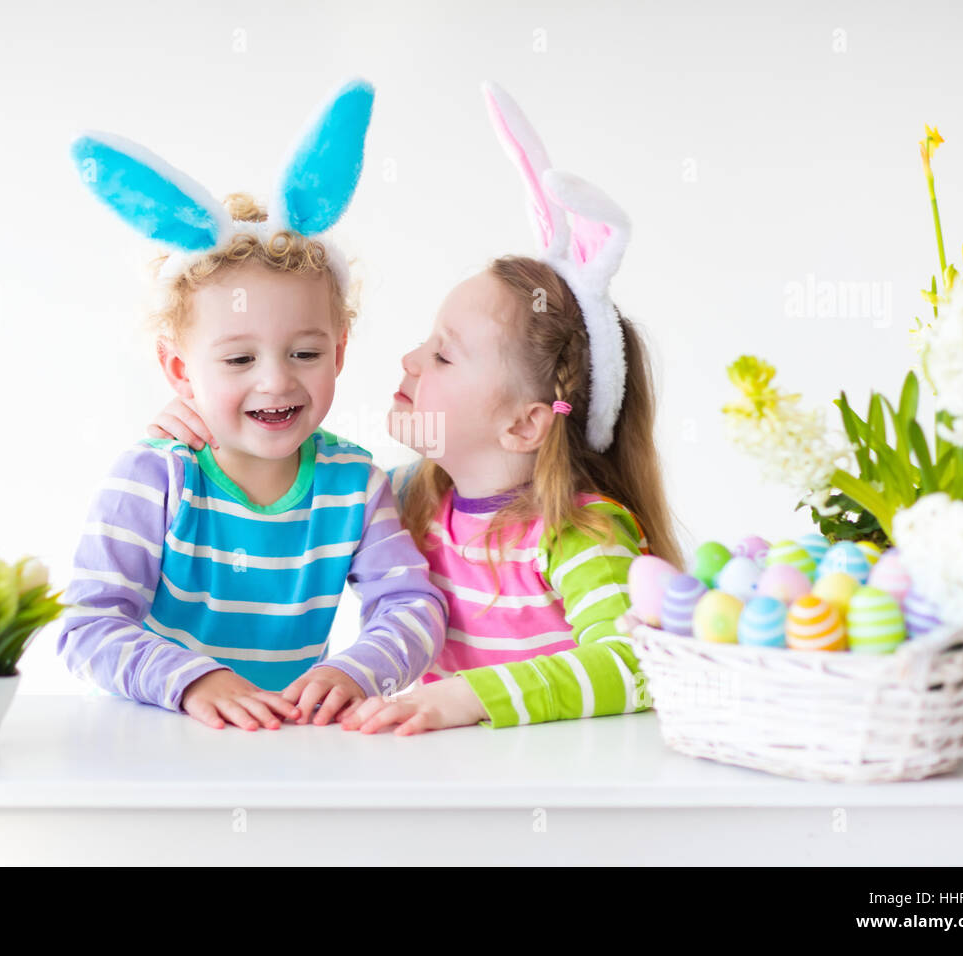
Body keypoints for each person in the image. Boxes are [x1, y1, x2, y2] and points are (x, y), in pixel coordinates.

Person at [146, 81, 684, 734]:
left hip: (559, 800)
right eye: (426, 342)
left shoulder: (577, 532)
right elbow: (290, 493)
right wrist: (202, 430)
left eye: (444, 355)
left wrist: (467, 698)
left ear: (525, 423)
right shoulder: (408, 500)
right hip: (444, 789)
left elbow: (637, 664)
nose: (409, 360)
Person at [59, 79, 447, 731]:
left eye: (304, 353)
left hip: (288, 753)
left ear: (340, 352)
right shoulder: (155, 476)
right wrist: (193, 681)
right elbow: (88, 627)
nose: (276, 383)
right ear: (179, 370)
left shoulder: (353, 484)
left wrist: (355, 670)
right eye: (240, 360)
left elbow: (413, 606)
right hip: (161, 747)